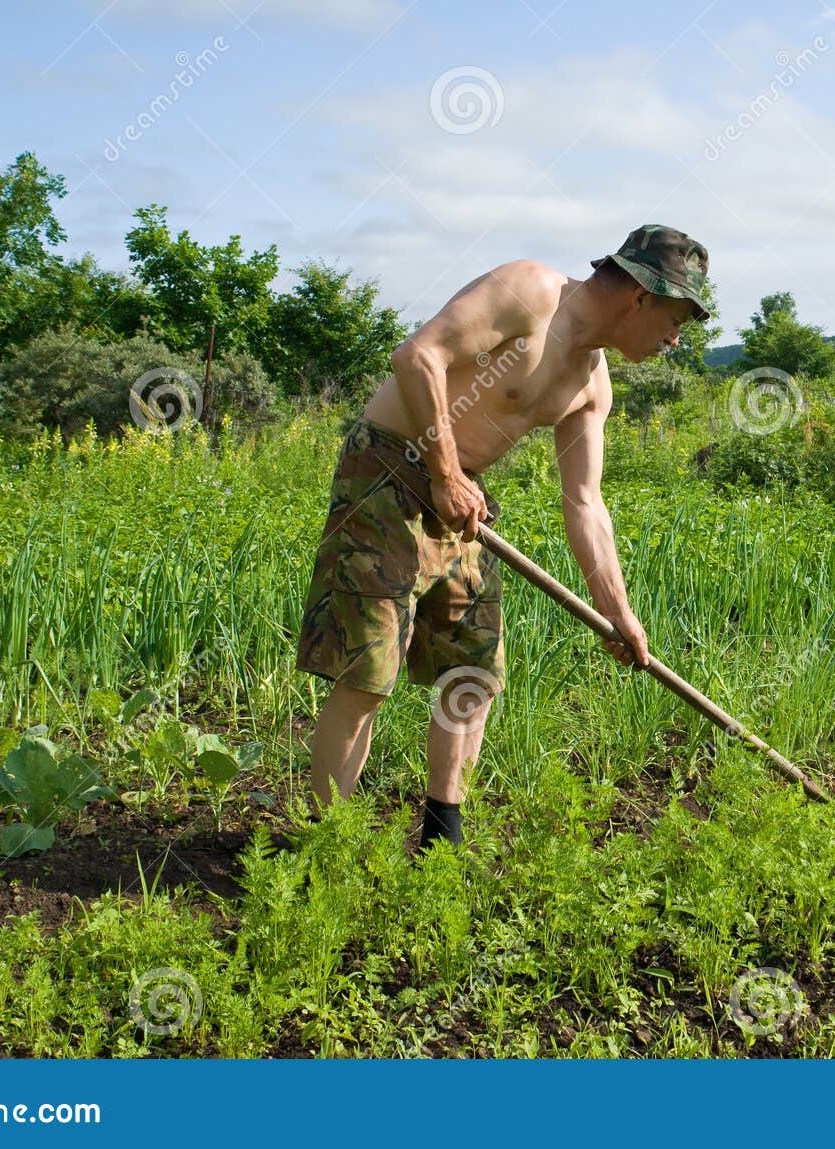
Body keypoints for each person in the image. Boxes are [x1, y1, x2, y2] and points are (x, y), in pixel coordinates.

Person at [295, 224, 712, 849]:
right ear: (641, 295)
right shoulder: (531, 293)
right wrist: (444, 473)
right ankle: (324, 848)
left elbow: (585, 503)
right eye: (677, 318)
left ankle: (443, 835)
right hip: (388, 470)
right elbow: (419, 355)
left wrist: (618, 613)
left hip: (462, 498)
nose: (675, 339)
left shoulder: (592, 385)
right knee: (368, 668)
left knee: (472, 666)